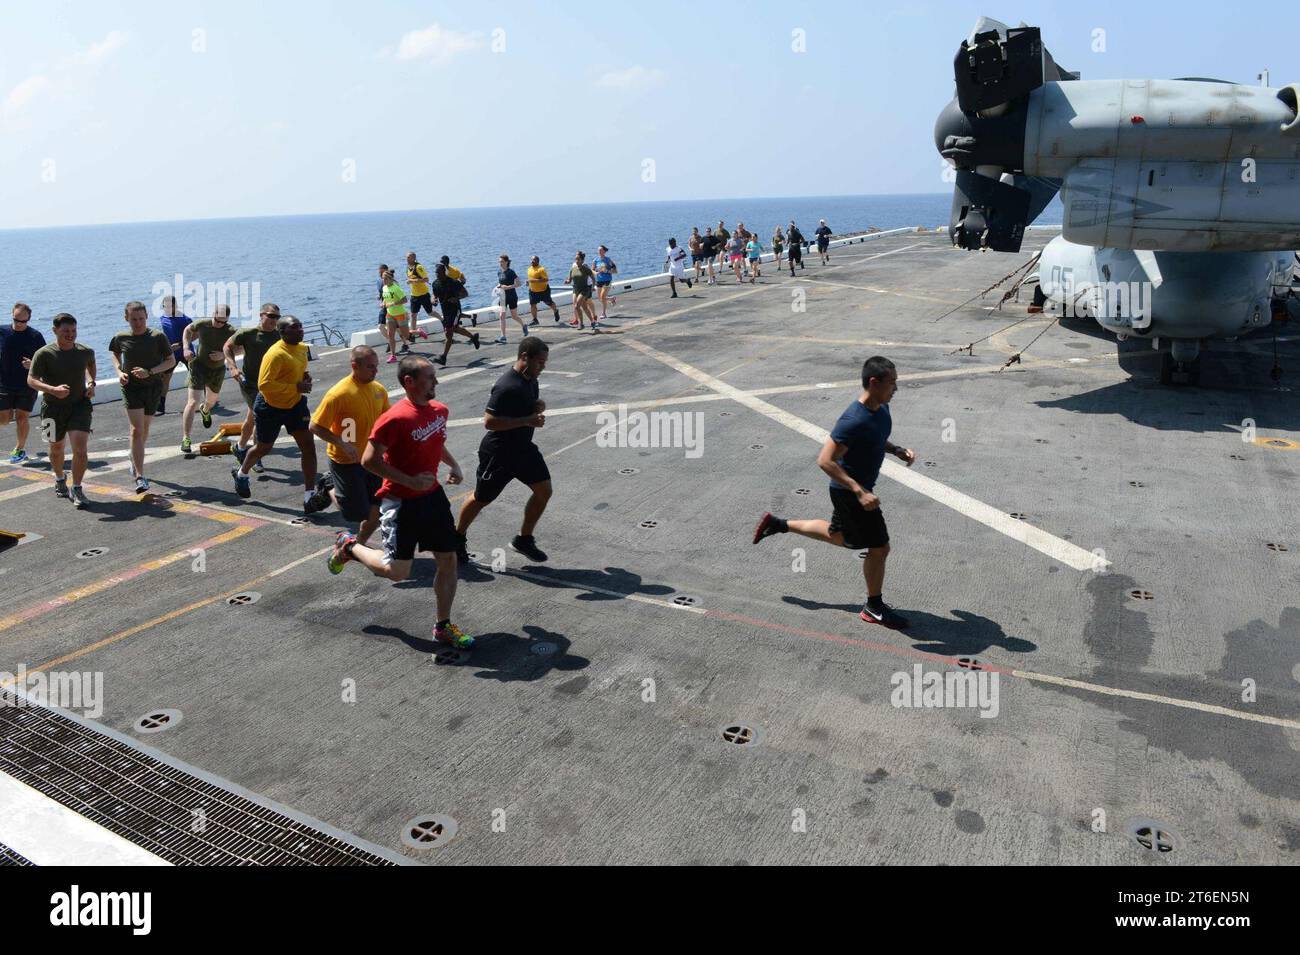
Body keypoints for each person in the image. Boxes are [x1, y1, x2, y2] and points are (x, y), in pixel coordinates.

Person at [752, 356, 914, 629]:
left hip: (855, 491)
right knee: (880, 548)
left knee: (838, 536)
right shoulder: (853, 419)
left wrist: (896, 450)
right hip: (850, 493)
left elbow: (874, 438)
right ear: (874, 383)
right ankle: (873, 607)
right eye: (892, 383)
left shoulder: (880, 409)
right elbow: (825, 460)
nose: (896, 388)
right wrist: (859, 491)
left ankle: (778, 524)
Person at [327, 355, 474, 650]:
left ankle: (442, 626)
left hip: (432, 498)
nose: (436, 382)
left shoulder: (439, 411)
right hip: (401, 504)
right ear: (409, 382)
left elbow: (436, 441)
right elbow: (369, 460)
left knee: (448, 560)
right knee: (397, 573)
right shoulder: (393, 419)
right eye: (430, 377)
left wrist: (453, 465)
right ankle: (350, 546)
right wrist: (408, 481)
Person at [455, 337, 551, 567]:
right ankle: (456, 537)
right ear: (524, 357)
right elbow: (489, 422)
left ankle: (523, 539)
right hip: (499, 454)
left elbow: (528, 404)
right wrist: (527, 420)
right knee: (481, 498)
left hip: (523, 450)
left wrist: (537, 407)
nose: (543, 367)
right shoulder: (507, 385)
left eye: (544, 362)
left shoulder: (531, 378)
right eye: (540, 362)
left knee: (544, 491)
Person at [230, 314, 330, 514]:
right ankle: (241, 474)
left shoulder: (302, 349)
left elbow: (297, 370)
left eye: (301, 326)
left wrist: (304, 377)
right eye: (295, 327)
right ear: (282, 332)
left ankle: (309, 496)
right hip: (271, 407)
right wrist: (296, 386)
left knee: (308, 447)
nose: (300, 330)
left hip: (295, 406)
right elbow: (264, 385)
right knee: (262, 448)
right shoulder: (275, 354)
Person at [310, 345, 390, 545]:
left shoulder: (378, 390)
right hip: (346, 461)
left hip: (372, 459)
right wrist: (342, 443)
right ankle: (328, 485)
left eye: (376, 366)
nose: (376, 371)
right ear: (355, 366)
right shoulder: (338, 394)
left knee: (377, 505)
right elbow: (315, 426)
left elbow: (386, 422)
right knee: (354, 514)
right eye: (371, 367)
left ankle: (359, 544)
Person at [27, 313, 95, 508]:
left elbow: (90, 365)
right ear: (55, 331)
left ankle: (77, 487)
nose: (71, 335)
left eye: (73, 331)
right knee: (56, 448)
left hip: (79, 405)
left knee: (80, 449)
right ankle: (59, 478)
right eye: (66, 331)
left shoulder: (85, 351)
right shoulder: (43, 354)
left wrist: (91, 383)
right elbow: (31, 380)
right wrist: (52, 390)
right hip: (51, 408)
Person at [108, 301, 175, 493]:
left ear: (146, 317)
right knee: (136, 430)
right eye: (133, 319)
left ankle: (134, 455)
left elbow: (170, 360)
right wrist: (119, 371)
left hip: (153, 387)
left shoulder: (157, 336)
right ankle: (140, 476)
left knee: (144, 429)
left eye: (141, 318)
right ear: (126, 318)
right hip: (131, 388)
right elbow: (114, 353)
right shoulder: (121, 337)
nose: (137, 323)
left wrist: (150, 371)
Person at [224, 303, 281, 473]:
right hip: (250, 383)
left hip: (270, 384)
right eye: (271, 316)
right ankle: (256, 457)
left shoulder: (280, 335)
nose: (274, 320)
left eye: (277, 317)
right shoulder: (248, 334)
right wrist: (233, 367)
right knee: (260, 417)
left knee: (251, 418)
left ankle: (240, 447)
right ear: (261, 315)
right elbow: (227, 346)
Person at [179, 305, 236, 454]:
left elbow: (241, 347)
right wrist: (186, 347)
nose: (219, 324)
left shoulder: (231, 331)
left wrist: (223, 355)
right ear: (213, 314)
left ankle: (205, 410)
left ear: (227, 320)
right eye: (217, 320)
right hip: (198, 366)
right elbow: (187, 330)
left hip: (217, 370)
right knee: (192, 402)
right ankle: (186, 438)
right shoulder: (202, 324)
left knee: (211, 401)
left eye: (222, 322)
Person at [0, 303, 46, 464]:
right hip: (4, 383)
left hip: (27, 384)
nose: (19, 324)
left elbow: (45, 361)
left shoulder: (35, 336)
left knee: (21, 418)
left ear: (28, 319)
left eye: (23, 321)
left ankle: (19, 449)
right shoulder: (2, 332)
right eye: (16, 319)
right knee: (4, 420)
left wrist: (32, 364)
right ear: (11, 315)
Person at [431, 263, 481, 366]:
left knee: (449, 333)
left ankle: (443, 357)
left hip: (455, 310)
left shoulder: (453, 282)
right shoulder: (435, 284)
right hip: (445, 311)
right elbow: (434, 294)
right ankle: (473, 338)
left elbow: (465, 293)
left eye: (439, 272)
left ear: (444, 272)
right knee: (455, 329)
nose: (437, 275)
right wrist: (433, 300)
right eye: (436, 273)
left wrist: (456, 298)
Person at [157, 295, 191, 415]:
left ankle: (207, 400)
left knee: (197, 376)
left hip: (187, 352)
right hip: (172, 354)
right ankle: (161, 405)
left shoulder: (185, 319)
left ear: (175, 306)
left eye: (170, 306)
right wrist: (167, 348)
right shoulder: (162, 318)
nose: (167, 308)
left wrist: (182, 344)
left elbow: (194, 335)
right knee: (165, 377)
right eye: (165, 306)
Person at [493, 255, 529, 345]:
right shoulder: (499, 272)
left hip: (512, 296)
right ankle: (503, 337)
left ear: (506, 262)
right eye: (499, 261)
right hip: (502, 297)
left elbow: (519, 283)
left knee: (514, 316)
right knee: (502, 316)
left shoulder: (511, 272)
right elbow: (500, 283)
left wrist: (508, 287)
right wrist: (498, 287)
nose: (500, 263)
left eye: (501, 261)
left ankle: (524, 325)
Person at [381, 269, 411, 363]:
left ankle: (418, 331)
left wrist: (393, 303)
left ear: (390, 279)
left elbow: (405, 300)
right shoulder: (384, 288)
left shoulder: (396, 288)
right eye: (383, 279)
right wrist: (383, 303)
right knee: (390, 335)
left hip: (400, 314)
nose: (384, 281)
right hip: (390, 314)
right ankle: (393, 355)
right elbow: (386, 299)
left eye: (385, 279)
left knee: (406, 335)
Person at [404, 252, 433, 342]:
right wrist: (410, 282)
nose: (407, 259)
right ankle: (413, 335)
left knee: (430, 313)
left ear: (413, 258)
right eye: (406, 257)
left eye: (409, 257)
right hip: (414, 295)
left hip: (423, 294)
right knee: (413, 315)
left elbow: (426, 279)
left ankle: (443, 320)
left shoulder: (419, 267)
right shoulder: (408, 269)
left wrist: (413, 281)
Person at [526, 256, 563, 326]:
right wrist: (528, 282)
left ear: (537, 261)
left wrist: (533, 281)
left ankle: (555, 311)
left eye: (533, 260)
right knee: (532, 305)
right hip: (533, 291)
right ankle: (535, 320)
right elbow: (530, 279)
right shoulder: (529, 269)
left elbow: (546, 279)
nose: (532, 261)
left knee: (549, 303)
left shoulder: (541, 269)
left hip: (543, 290)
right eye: (531, 260)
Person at [567, 252, 598, 329]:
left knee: (577, 306)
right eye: (576, 259)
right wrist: (567, 281)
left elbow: (593, 279)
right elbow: (570, 280)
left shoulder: (586, 269)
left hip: (584, 290)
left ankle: (581, 324)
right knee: (584, 307)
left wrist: (593, 287)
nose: (577, 261)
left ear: (582, 260)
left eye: (578, 259)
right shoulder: (572, 269)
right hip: (576, 289)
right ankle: (592, 321)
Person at [439, 257, 473, 327]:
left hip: (454, 295)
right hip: (445, 295)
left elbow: (463, 280)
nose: (441, 263)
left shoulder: (454, 271)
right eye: (440, 262)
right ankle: (471, 317)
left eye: (442, 262)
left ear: (447, 262)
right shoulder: (440, 270)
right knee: (453, 313)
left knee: (457, 312)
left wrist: (457, 287)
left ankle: (457, 324)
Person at [592, 245, 617, 324]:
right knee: (600, 298)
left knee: (602, 297)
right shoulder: (595, 260)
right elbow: (592, 270)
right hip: (599, 281)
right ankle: (611, 299)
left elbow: (615, 270)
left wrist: (607, 271)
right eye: (598, 250)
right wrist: (595, 272)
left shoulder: (608, 260)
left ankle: (604, 313)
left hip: (607, 280)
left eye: (601, 250)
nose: (599, 251)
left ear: (604, 251)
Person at [375, 263, 391, 353]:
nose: (380, 274)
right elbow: (381, 293)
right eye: (379, 272)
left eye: (382, 272)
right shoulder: (378, 282)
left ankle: (405, 344)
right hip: (384, 307)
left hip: (392, 307)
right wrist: (379, 297)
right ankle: (390, 341)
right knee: (380, 326)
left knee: (398, 329)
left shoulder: (392, 282)